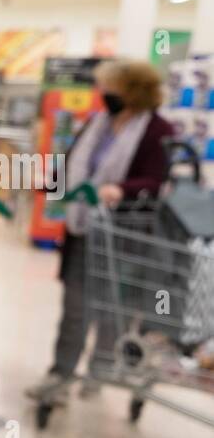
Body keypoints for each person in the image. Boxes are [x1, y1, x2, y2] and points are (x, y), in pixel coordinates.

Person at [26, 59, 174, 402]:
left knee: (113, 309)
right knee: (74, 307)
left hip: (125, 234)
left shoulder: (157, 131)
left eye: (111, 88)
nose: (103, 94)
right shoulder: (97, 124)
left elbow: (155, 178)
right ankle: (60, 375)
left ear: (134, 91)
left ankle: (101, 369)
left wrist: (121, 189)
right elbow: (75, 167)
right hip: (83, 228)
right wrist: (48, 183)